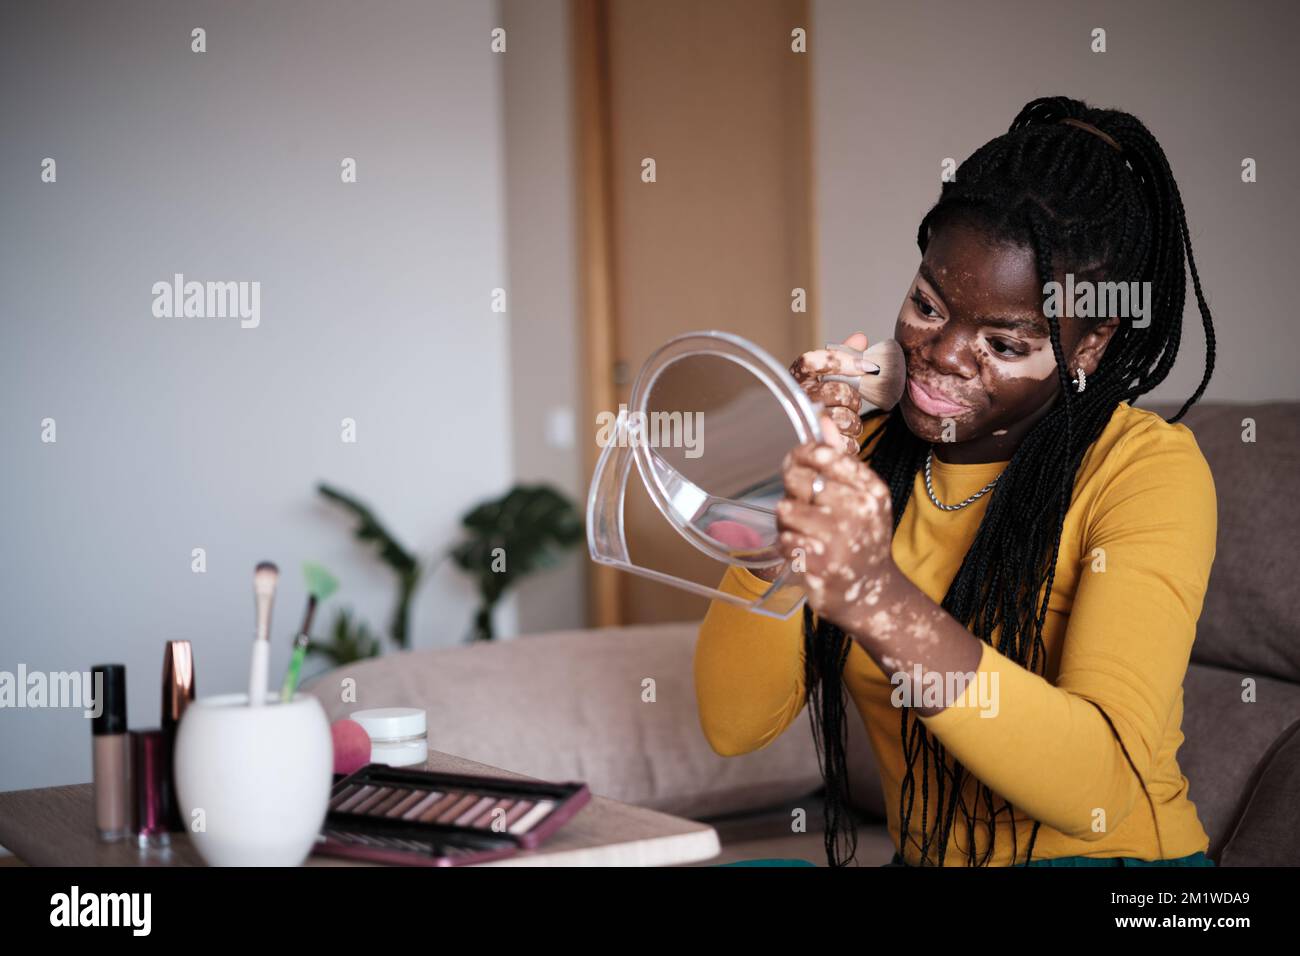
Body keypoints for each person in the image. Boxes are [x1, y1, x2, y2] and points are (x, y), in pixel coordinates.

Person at [695, 95, 1218, 867]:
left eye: (1004, 343)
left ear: (1090, 345)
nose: (943, 355)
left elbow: (1100, 793)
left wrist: (878, 598)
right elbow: (733, 724)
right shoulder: (871, 457)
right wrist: (803, 484)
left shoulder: (1145, 470)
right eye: (927, 305)